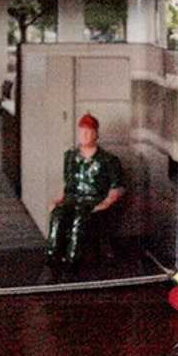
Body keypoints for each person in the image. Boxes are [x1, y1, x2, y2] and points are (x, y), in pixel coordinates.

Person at [46, 113, 125, 268]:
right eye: (82, 132)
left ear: (96, 134)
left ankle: (73, 259)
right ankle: (53, 255)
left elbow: (117, 188)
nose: (85, 135)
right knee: (58, 214)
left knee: (80, 218)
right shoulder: (70, 156)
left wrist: (105, 203)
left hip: (93, 199)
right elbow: (66, 183)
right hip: (72, 198)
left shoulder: (108, 160)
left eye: (89, 132)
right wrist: (57, 200)